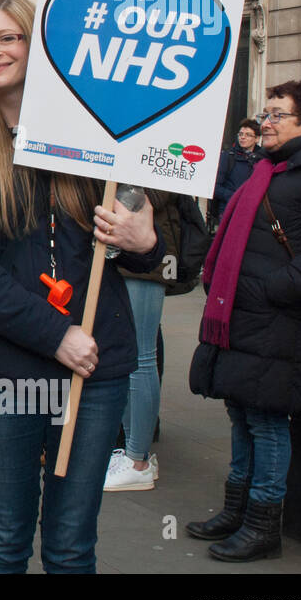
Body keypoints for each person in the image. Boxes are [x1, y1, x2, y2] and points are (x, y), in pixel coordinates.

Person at [0, 0, 161, 574]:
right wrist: (55, 334)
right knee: (5, 538)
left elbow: (146, 248)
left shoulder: (97, 130)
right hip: (5, 371)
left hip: (96, 368)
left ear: (36, 44)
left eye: (7, 38)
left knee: (71, 543)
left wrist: (146, 244)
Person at [189, 80, 301, 561]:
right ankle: (236, 509)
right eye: (265, 113)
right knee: (240, 411)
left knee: (266, 419)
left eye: (279, 114)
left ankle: (264, 524)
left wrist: (276, 289)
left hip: (278, 317)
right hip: (240, 315)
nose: (266, 121)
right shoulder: (266, 169)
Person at [104, 189, 181, 491]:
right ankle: (133, 452)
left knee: (141, 357)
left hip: (144, 261)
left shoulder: (149, 167)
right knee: (131, 356)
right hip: (133, 258)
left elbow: (148, 197)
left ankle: (138, 460)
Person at [211, 118, 264, 230]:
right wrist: (235, 197)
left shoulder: (263, 159)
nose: (242, 137)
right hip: (229, 209)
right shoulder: (228, 157)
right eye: (240, 134)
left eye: (248, 135)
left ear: (257, 139)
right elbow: (215, 186)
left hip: (253, 212)